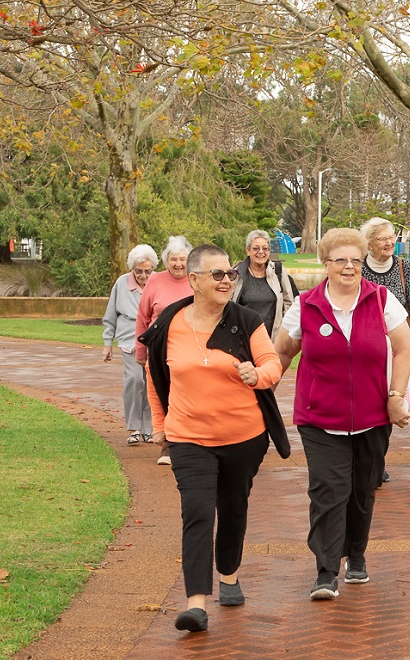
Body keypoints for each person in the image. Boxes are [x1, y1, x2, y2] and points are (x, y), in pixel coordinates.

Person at [138, 245, 289, 633]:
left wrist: (260, 375)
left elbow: (271, 361)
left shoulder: (246, 319)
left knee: (233, 507)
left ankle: (229, 573)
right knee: (198, 512)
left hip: (244, 435)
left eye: (229, 274)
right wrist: (160, 425)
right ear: (194, 280)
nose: (226, 280)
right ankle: (196, 604)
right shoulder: (170, 323)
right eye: (217, 274)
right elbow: (155, 379)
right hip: (189, 436)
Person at [275, 228, 410, 601]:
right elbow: (283, 353)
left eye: (356, 260)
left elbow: (404, 349)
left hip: (373, 416)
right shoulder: (305, 305)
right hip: (319, 418)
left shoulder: (382, 299)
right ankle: (325, 570)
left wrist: (396, 395)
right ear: (326, 264)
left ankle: (356, 555)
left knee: (362, 492)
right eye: (341, 260)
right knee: (327, 492)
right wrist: (263, 396)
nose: (349, 267)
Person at [359, 217, 410, 483]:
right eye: (382, 239)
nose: (389, 242)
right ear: (369, 243)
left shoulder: (403, 267)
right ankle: (369, 462)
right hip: (367, 349)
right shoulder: (359, 268)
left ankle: (377, 461)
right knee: (369, 404)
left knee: (393, 400)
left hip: (399, 348)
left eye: (392, 237)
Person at [135, 235, 194, 466]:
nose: (178, 264)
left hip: (189, 347)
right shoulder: (155, 281)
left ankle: (187, 441)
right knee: (160, 395)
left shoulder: (195, 279)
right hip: (159, 348)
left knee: (185, 395)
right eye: (173, 259)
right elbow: (143, 317)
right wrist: (141, 351)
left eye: (182, 259)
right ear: (165, 261)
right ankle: (167, 445)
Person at [102, 244, 158, 445]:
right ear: (132, 269)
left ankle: (148, 427)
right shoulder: (121, 283)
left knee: (151, 383)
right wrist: (107, 343)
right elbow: (110, 316)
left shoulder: (158, 282)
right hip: (128, 339)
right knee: (135, 380)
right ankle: (134, 427)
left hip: (154, 341)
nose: (143, 275)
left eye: (147, 271)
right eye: (139, 271)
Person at [231, 229, 298, 341]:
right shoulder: (237, 273)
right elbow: (229, 304)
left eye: (265, 248)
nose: (261, 252)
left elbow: (288, 301)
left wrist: (283, 331)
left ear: (269, 250)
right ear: (248, 250)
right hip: (244, 339)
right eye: (256, 248)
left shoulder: (278, 271)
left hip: (272, 339)